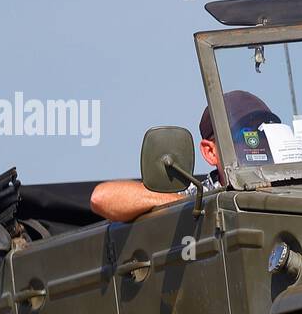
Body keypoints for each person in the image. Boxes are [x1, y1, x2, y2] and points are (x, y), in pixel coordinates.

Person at [90, 91, 280, 222]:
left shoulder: (294, 183)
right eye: (245, 134)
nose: (258, 141)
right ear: (211, 152)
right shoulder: (197, 195)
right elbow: (102, 197)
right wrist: (184, 206)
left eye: (265, 130)